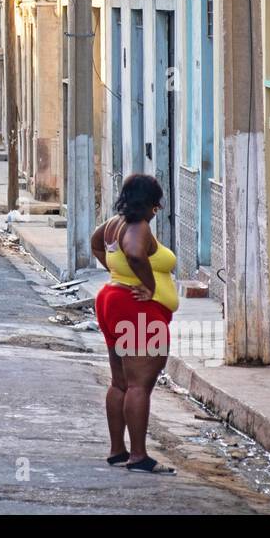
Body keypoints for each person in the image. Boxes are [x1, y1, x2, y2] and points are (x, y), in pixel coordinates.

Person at [90, 173, 180, 475]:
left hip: (112, 300)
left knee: (119, 382)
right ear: (153, 204)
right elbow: (134, 253)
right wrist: (150, 286)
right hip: (136, 310)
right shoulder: (137, 227)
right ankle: (139, 456)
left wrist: (117, 275)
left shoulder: (115, 223)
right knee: (139, 385)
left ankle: (118, 450)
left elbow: (96, 243)